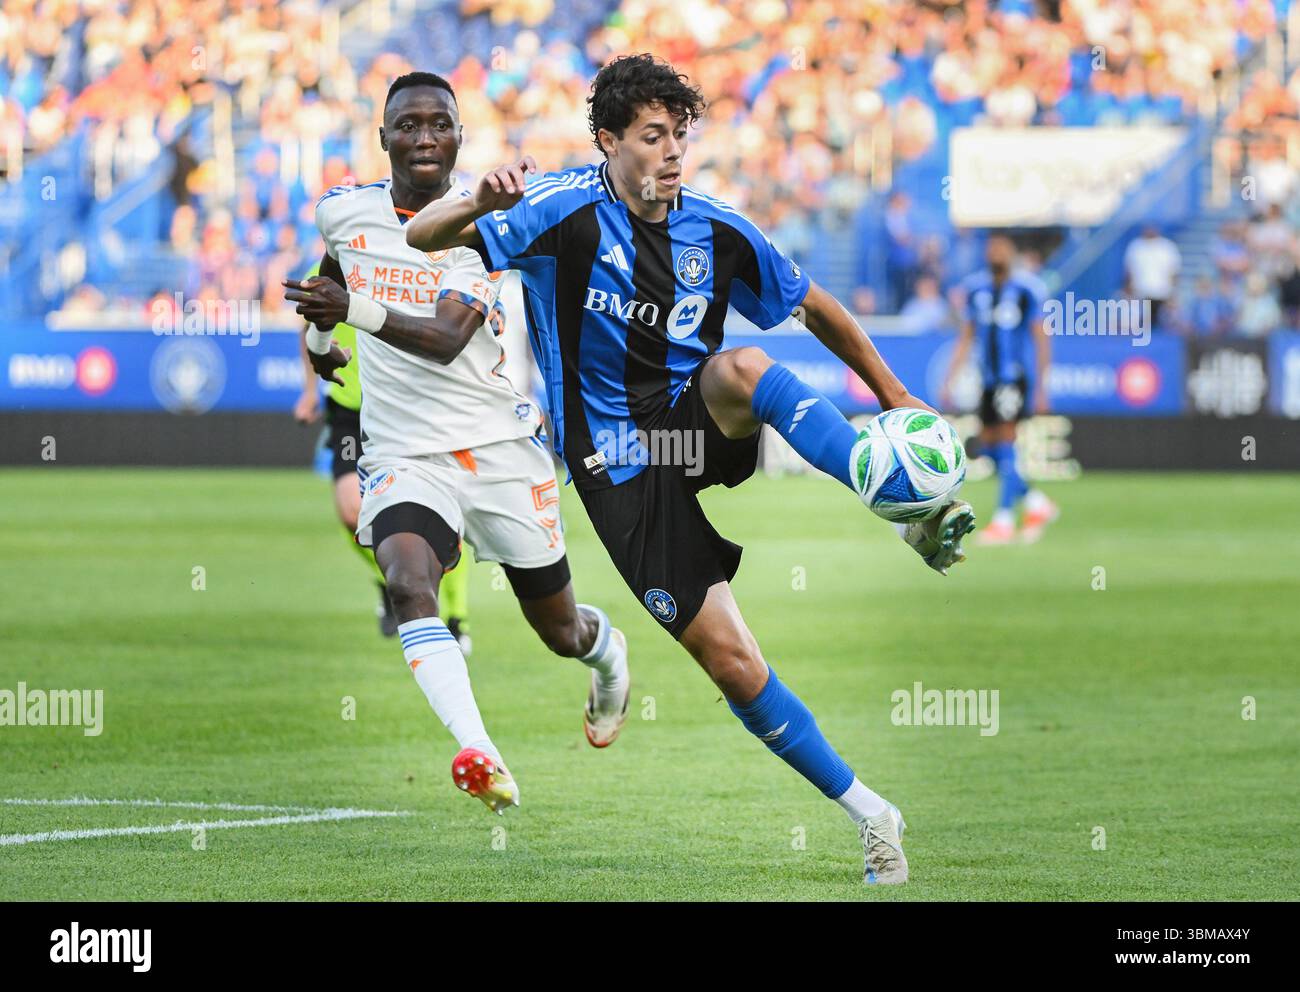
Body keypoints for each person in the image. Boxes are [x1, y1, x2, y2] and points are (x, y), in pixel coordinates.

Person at [405, 54, 976, 885]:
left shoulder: (716, 228)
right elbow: (424, 234)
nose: (672, 152)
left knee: (743, 367)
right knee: (736, 666)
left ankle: (883, 480)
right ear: (608, 140)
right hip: (616, 470)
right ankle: (874, 816)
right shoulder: (557, 209)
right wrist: (479, 200)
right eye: (651, 136)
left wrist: (897, 398)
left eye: (680, 134)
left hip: (692, 424)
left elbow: (813, 304)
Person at [284, 72, 631, 816]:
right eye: (407, 125)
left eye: (439, 123)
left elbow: (444, 339)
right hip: (404, 455)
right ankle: (482, 751)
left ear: (460, 137)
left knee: (561, 632)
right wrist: (321, 344)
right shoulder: (345, 211)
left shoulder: (484, 221)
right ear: (384, 139)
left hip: (499, 451)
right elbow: (331, 276)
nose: (424, 138)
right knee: (409, 583)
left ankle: (607, 654)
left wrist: (352, 312)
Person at [292, 259, 473, 647]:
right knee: (351, 512)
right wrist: (310, 390)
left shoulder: (406, 258)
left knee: (439, 515)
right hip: (350, 406)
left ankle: (455, 614)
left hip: (406, 405)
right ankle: (388, 581)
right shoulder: (332, 254)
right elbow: (306, 323)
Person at [941, 234, 1057, 544]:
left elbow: (1040, 337)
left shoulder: (1027, 289)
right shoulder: (975, 289)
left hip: (1012, 378)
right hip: (988, 380)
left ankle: (1004, 521)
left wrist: (1042, 385)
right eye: (991, 247)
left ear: (1012, 252)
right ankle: (1036, 503)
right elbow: (966, 336)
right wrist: (950, 378)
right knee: (989, 448)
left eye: (1002, 247)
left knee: (1006, 440)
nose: (996, 252)